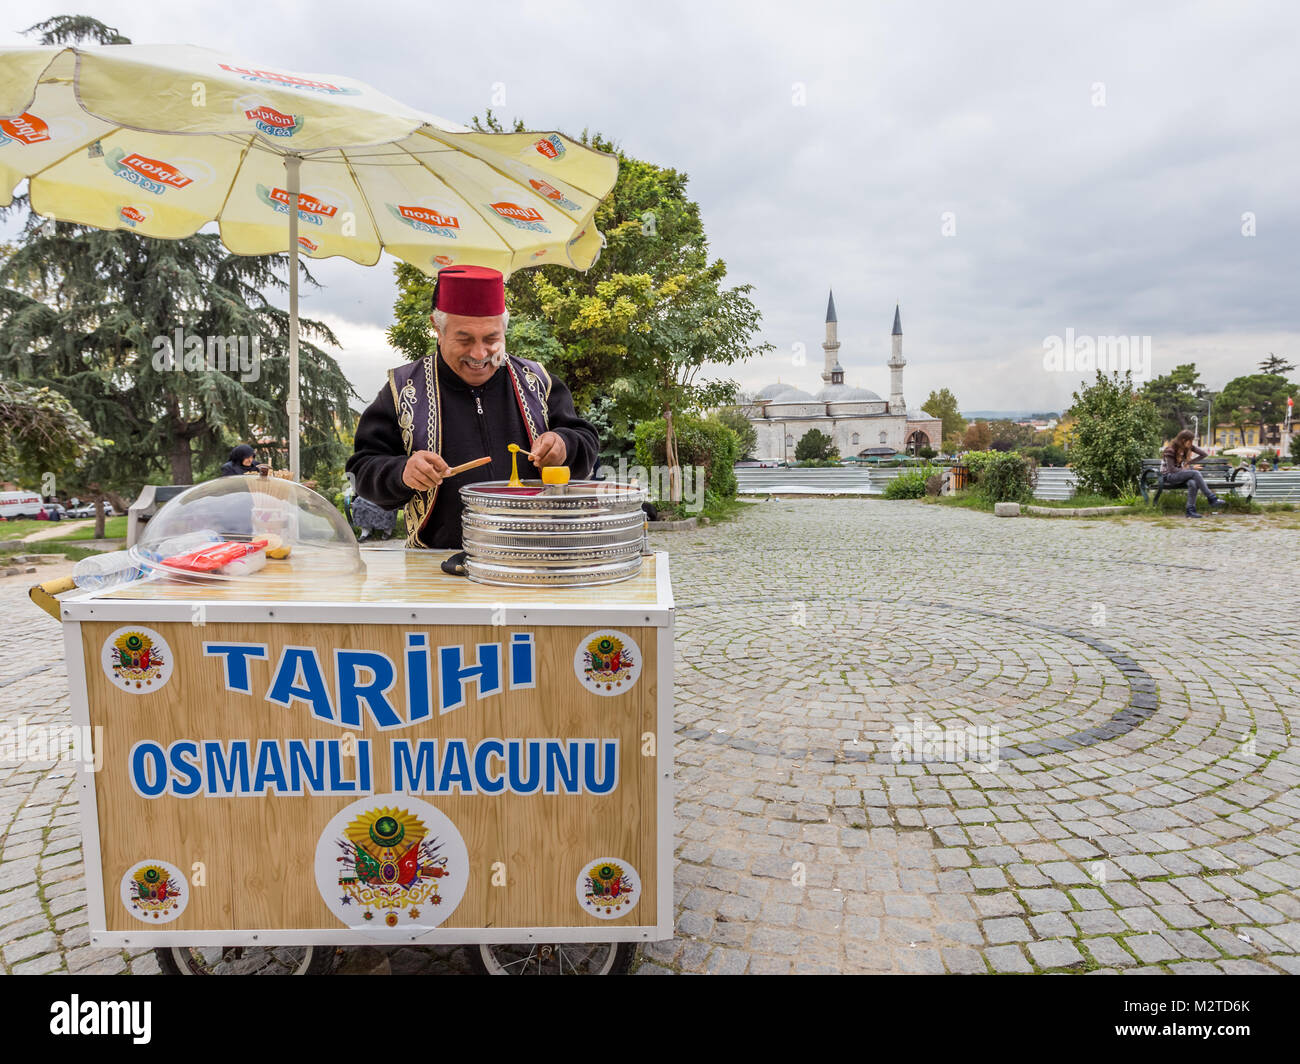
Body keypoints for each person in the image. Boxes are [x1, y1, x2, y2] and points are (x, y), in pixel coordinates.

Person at [347, 265, 599, 549]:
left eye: (492, 339)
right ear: (437, 328)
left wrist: (564, 444)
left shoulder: (537, 382)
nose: (479, 355)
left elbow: (586, 442)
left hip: (536, 556)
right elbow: (361, 469)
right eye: (464, 340)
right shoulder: (404, 389)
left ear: (504, 329)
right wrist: (402, 473)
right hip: (439, 565)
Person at [1162, 429, 1225, 518]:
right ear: (1183, 440)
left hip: (1178, 475)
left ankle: (1190, 511)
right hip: (1168, 476)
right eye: (1190, 441)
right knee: (1195, 473)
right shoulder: (1170, 450)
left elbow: (1204, 454)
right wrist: (1190, 468)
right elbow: (1172, 470)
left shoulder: (1187, 447)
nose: (1192, 443)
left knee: (1193, 483)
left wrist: (1189, 463)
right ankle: (1211, 498)